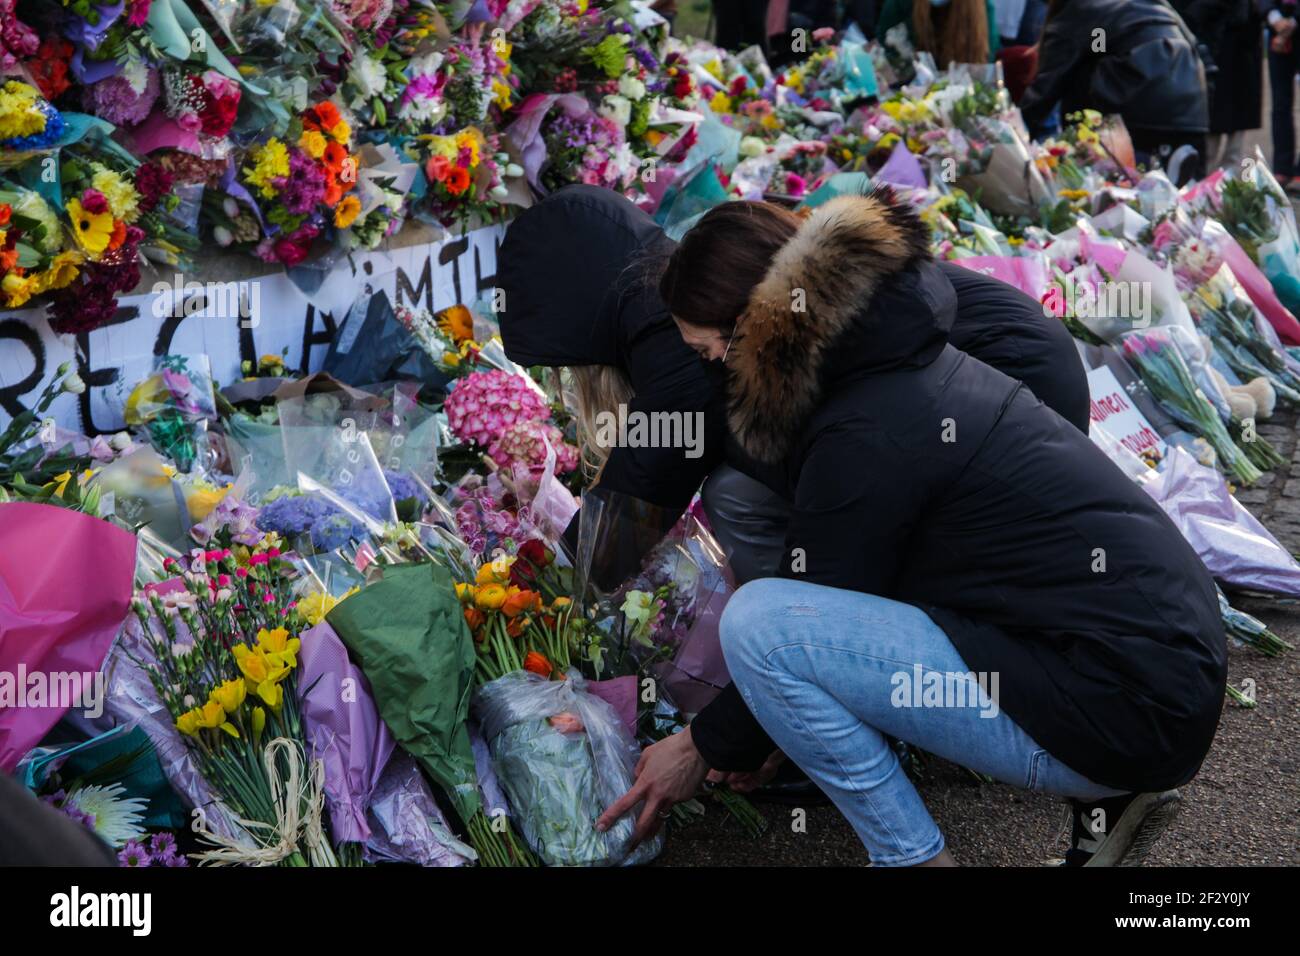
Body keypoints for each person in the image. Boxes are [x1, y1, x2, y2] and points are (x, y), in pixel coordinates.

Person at [594, 190, 1227, 866]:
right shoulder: (889, 364)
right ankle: (1111, 798)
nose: (713, 371)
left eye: (713, 350)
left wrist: (699, 749)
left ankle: (912, 858)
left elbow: (806, 625)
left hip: (1130, 705)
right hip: (1159, 670)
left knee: (763, 627)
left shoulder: (865, 430)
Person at [496, 185, 1088, 583]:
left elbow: (648, 476)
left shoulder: (673, 318)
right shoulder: (689, 286)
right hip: (1025, 371)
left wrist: (550, 585)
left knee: (741, 495)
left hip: (1016, 390)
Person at [1020, 0, 1210, 183]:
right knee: (1095, 57)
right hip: (1188, 103)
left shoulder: (1085, 10)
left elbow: (1048, 83)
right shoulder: (1156, 5)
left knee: (1088, 65)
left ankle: (1102, 158)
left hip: (1132, 102)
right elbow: (1203, 54)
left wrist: (1016, 133)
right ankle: (1164, 164)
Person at [1171, 0, 1264, 173]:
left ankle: (1220, 186)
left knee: (1227, 141)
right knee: (1211, 135)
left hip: (1231, 47)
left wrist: (1190, 15)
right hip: (1211, 43)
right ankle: (1208, 185)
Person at [875, 0, 1000, 63]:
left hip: (965, 92)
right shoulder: (902, 3)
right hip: (912, 93)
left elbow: (987, 55)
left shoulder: (982, 8)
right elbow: (883, 39)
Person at [1265, 2, 1300, 190]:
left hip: (1292, 24)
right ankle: (1282, 167)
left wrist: (1293, 22)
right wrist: (1274, 18)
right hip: (1276, 30)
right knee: (1280, 103)